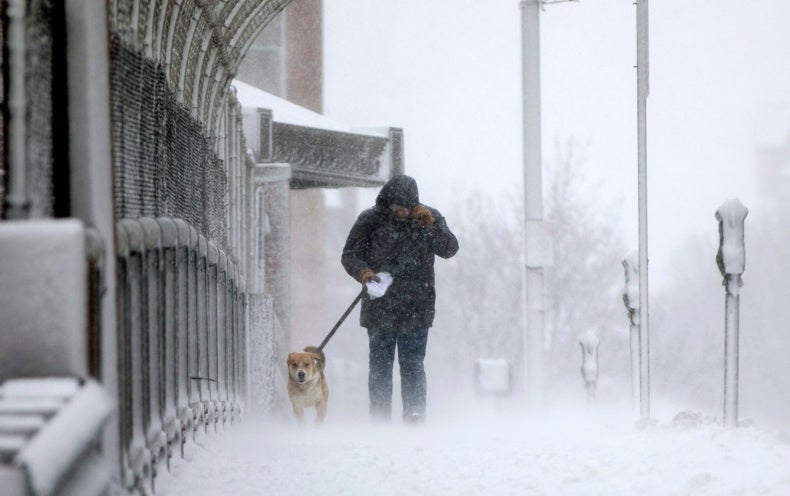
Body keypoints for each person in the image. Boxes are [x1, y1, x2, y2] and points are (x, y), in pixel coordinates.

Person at [341, 175, 459, 424]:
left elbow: (449, 248)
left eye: (406, 208)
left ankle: (415, 415)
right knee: (380, 367)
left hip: (417, 306)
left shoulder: (427, 217)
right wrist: (364, 273)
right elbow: (349, 254)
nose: (401, 213)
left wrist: (431, 226)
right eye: (396, 207)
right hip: (379, 305)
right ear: (387, 202)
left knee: (413, 363)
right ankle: (381, 418)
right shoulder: (370, 219)